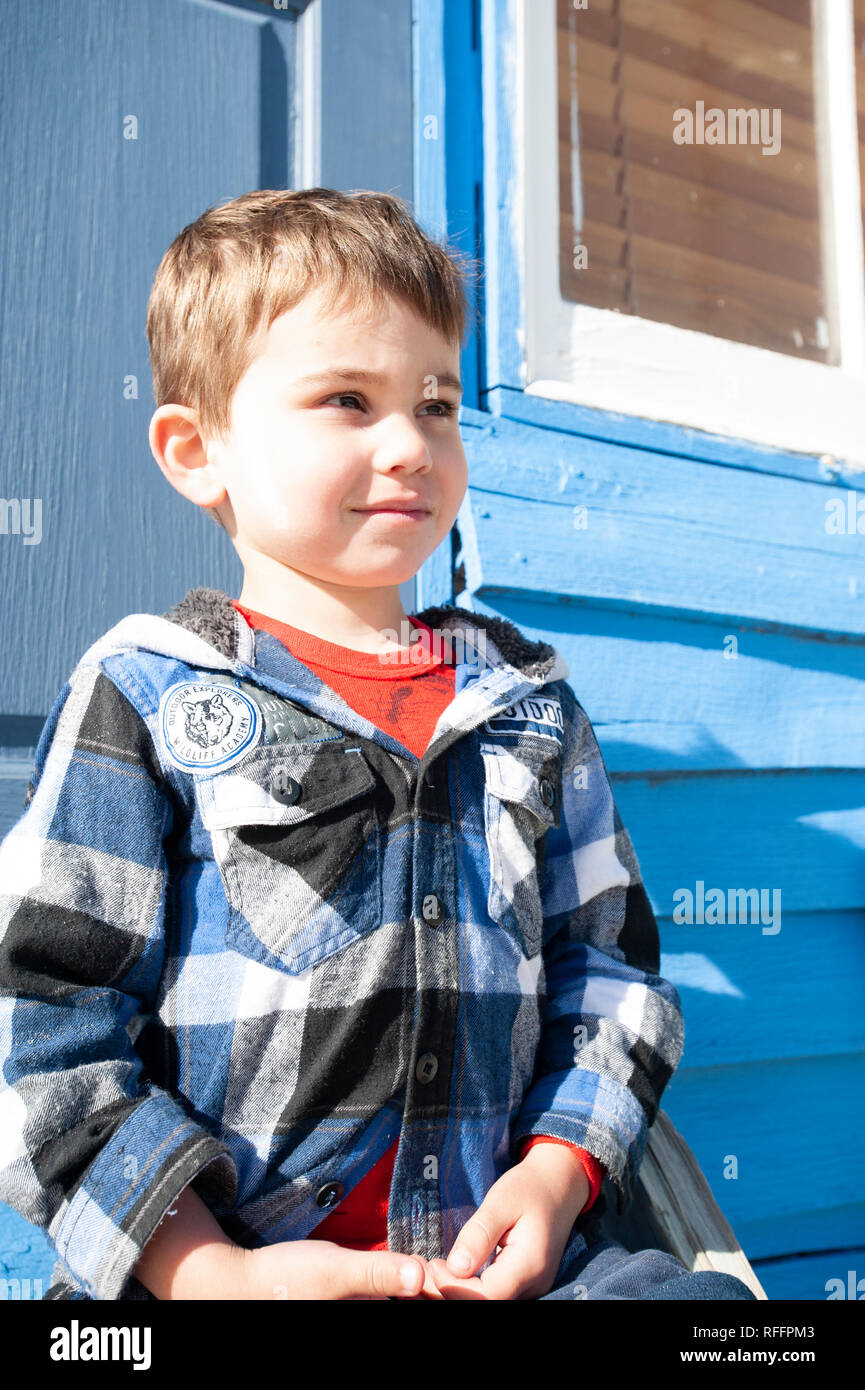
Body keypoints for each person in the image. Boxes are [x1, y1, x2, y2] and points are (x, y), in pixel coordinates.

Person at [0, 188, 756, 1301]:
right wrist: (208, 1273)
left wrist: (555, 1175)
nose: (409, 443)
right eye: (348, 400)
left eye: (437, 402)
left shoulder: (527, 706)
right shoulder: (148, 694)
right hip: (224, 1275)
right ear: (196, 450)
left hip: (495, 1268)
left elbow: (610, 971)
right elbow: (48, 1026)